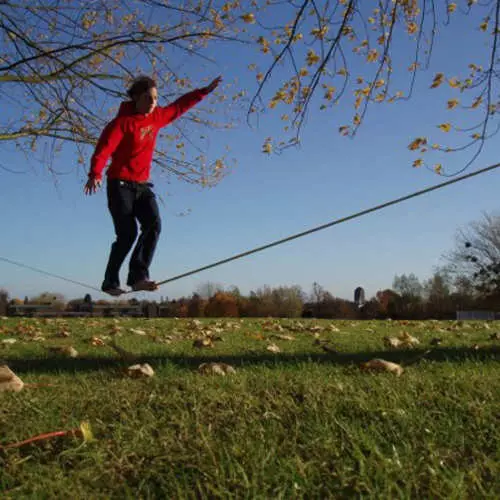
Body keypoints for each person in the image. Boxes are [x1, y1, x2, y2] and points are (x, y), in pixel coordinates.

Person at [84, 75, 222, 296]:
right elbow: (104, 149)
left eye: (156, 98)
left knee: (154, 224)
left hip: (142, 186)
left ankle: (138, 276)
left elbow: (178, 107)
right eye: (148, 98)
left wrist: (202, 91)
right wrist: (95, 174)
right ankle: (110, 281)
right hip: (119, 185)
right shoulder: (121, 123)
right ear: (136, 98)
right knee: (127, 234)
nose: (153, 103)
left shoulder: (157, 117)